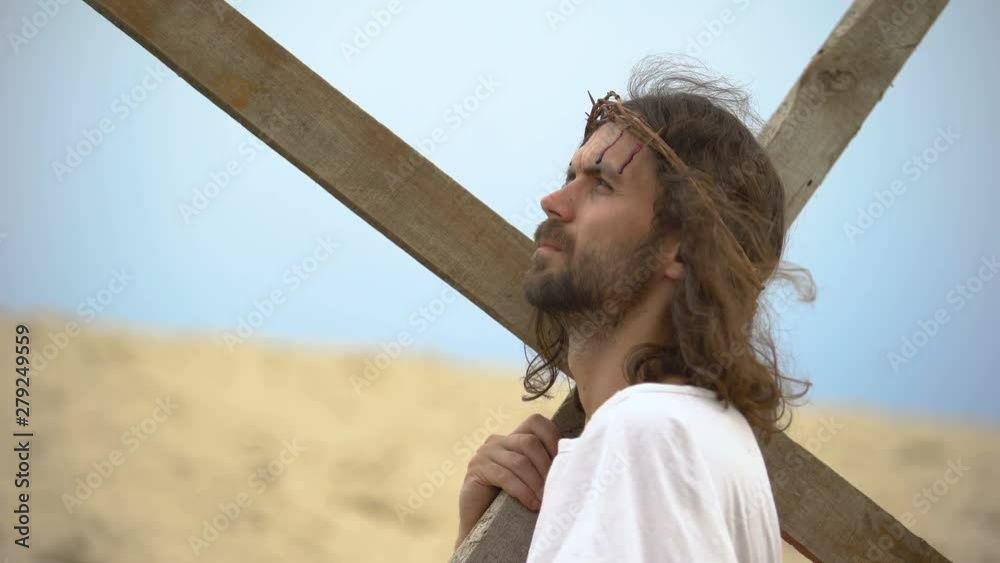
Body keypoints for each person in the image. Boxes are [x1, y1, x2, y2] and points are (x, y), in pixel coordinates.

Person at [454, 55, 814, 562]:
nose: (553, 201)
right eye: (569, 174)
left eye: (601, 183)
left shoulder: (651, 436)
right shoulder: (679, 432)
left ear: (682, 247)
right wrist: (482, 543)